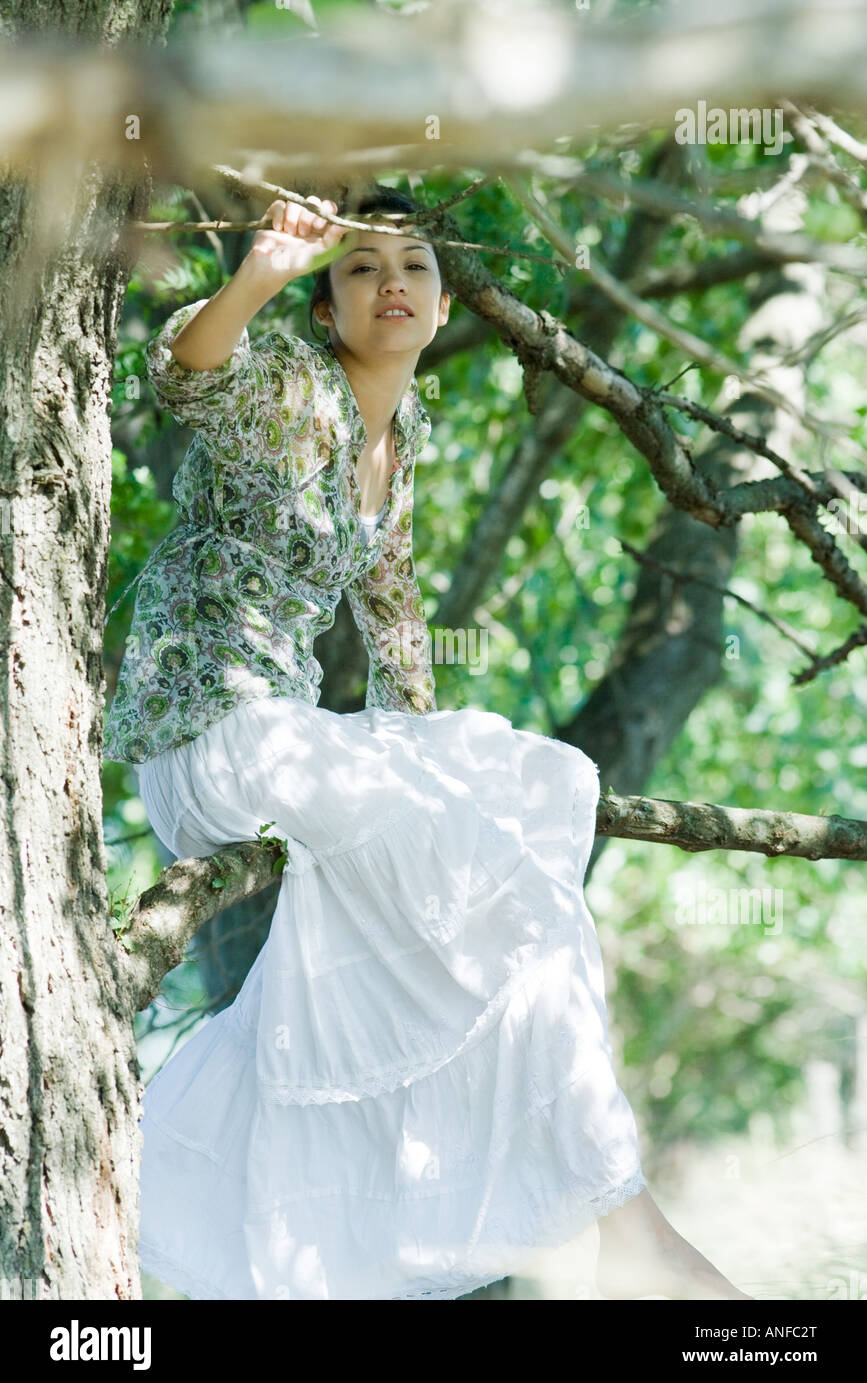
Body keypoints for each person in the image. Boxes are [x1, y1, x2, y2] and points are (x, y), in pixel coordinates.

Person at [103, 184, 753, 1301]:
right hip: (212, 731)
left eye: (414, 266)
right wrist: (261, 271)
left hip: (293, 738)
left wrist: (434, 765)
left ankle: (557, 1197)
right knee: (476, 856)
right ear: (328, 309)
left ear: (444, 305)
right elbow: (182, 370)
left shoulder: (398, 443)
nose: (391, 283)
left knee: (543, 782)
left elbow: (395, 616)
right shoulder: (293, 392)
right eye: (360, 268)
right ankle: (626, 1218)